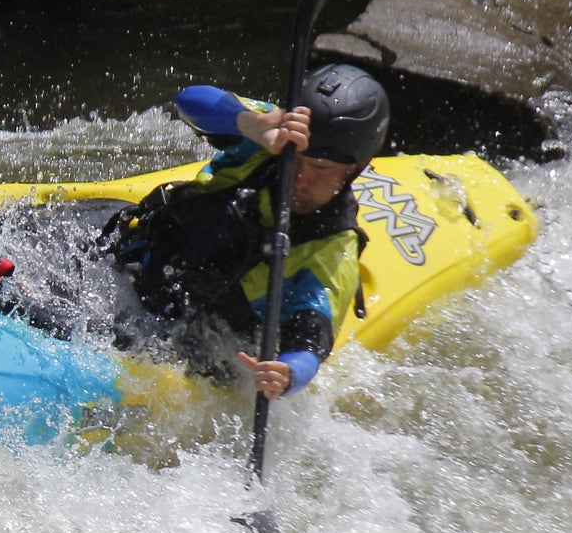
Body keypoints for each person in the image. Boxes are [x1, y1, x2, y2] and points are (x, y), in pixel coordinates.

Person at [102, 63, 390, 399]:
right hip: (131, 265)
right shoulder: (274, 136)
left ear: (359, 169)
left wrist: (288, 374)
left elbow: (311, 340)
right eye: (294, 161)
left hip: (188, 342)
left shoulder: (332, 251)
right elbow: (188, 100)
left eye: (320, 169)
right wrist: (251, 125)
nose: (299, 177)